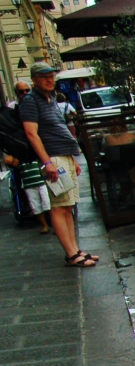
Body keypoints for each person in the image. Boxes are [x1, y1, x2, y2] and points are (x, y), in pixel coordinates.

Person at [20, 62, 97, 267]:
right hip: (53, 159)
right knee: (59, 207)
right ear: (34, 79)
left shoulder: (51, 99)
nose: (49, 80)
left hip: (64, 157)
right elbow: (31, 133)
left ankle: (75, 249)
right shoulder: (30, 101)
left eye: (51, 76)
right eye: (44, 76)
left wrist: (72, 158)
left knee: (68, 206)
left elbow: (59, 128)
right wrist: (47, 162)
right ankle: (71, 254)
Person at [4, 151, 51, 233]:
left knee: (48, 203)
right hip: (28, 185)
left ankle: (53, 224)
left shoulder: (35, 155)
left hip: (41, 183)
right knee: (36, 206)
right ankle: (44, 225)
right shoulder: (20, 158)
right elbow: (9, 161)